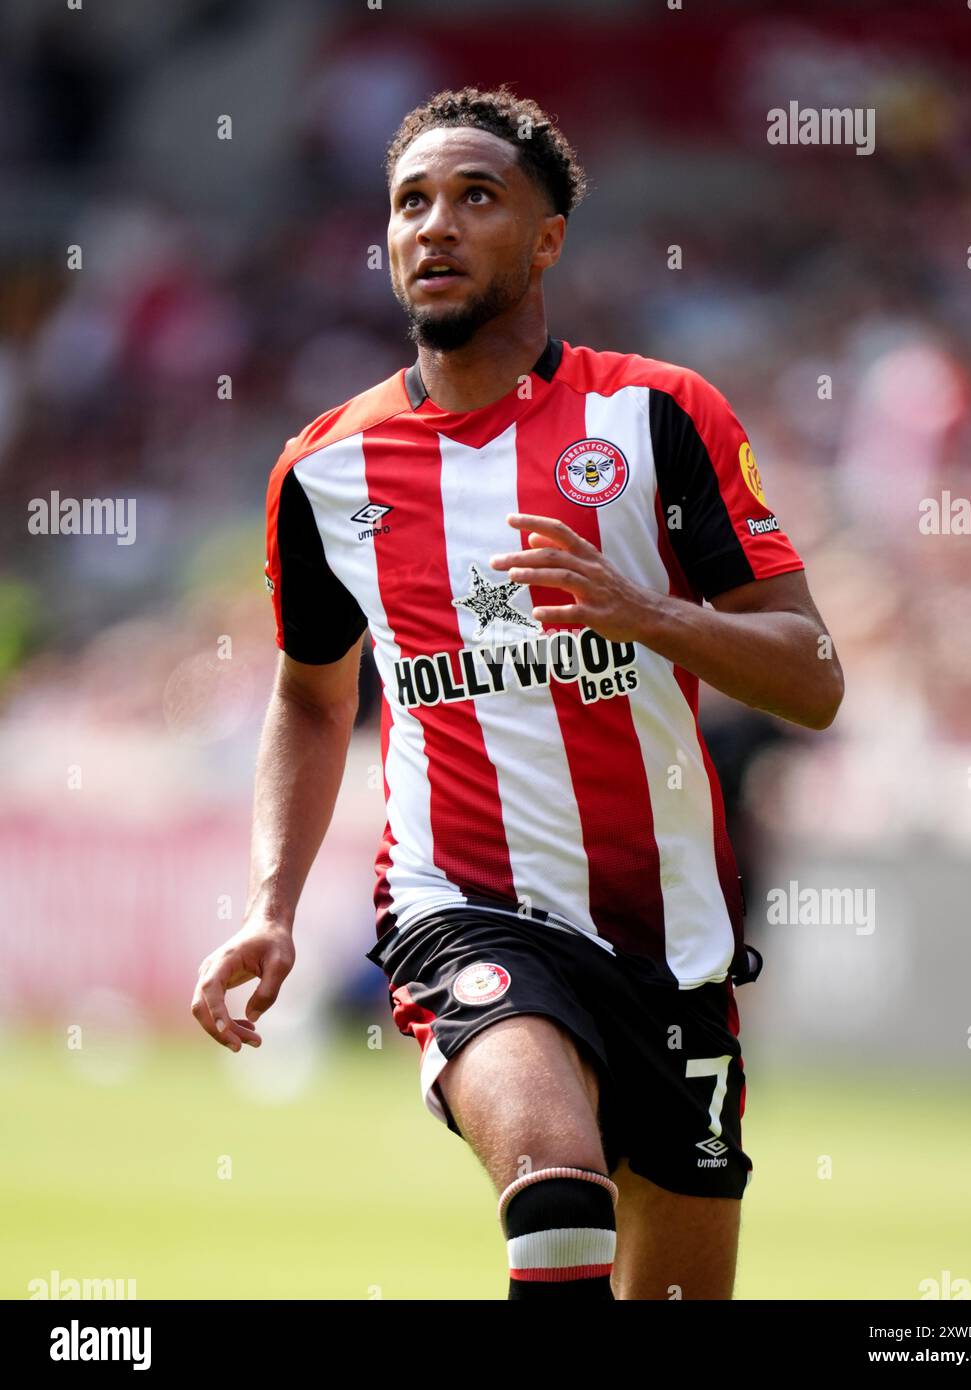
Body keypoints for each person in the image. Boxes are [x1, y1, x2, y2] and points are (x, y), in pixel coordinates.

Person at [191, 84, 844, 1301]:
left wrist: (647, 613)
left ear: (548, 240)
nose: (434, 226)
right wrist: (271, 904)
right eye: (410, 203)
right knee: (552, 1184)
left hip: (674, 945)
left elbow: (813, 678)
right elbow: (312, 697)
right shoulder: (324, 471)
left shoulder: (658, 417)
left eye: (476, 197)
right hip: (466, 912)